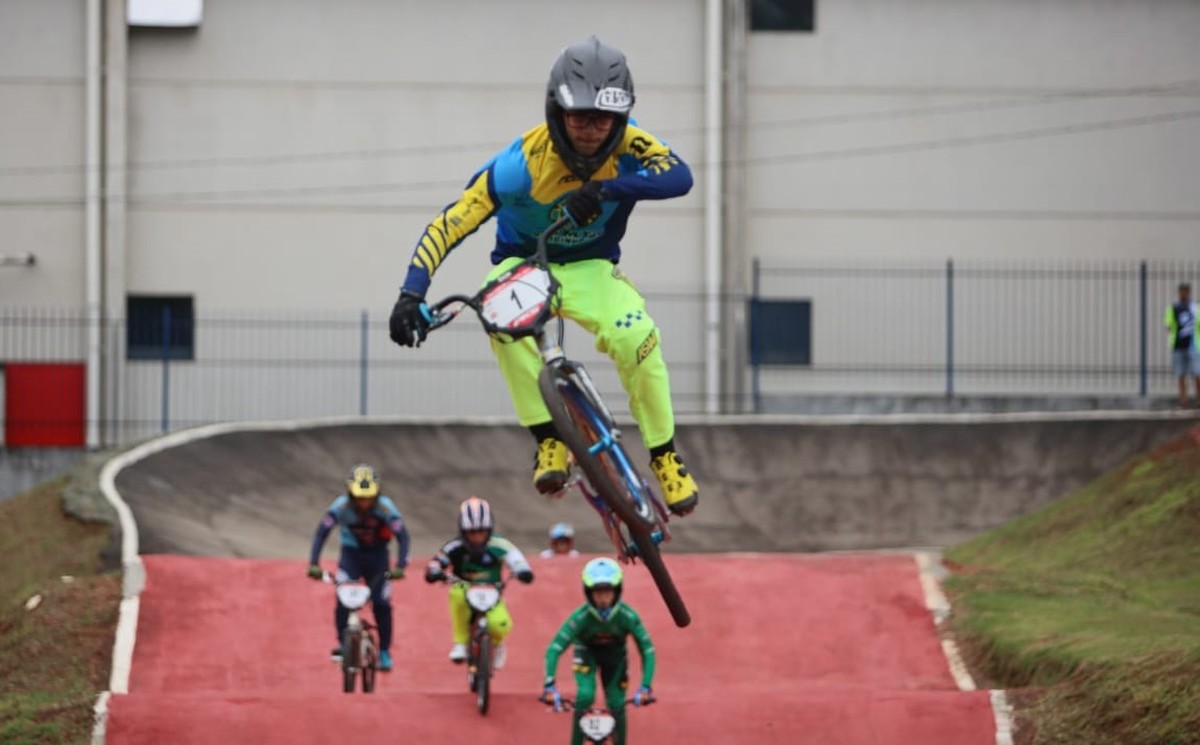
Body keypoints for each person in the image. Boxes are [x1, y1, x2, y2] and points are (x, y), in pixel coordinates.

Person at [388, 35, 698, 518]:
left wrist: (605, 188)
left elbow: (680, 177)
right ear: (557, 111)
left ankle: (665, 457)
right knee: (501, 324)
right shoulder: (518, 167)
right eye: (580, 118)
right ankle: (549, 439)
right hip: (524, 263)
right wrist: (413, 292)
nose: (593, 131)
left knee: (638, 336)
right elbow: (451, 223)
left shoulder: (632, 143)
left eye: (604, 120)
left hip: (593, 267)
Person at [541, 557, 656, 745]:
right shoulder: (580, 617)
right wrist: (549, 684)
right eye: (598, 592)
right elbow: (554, 648)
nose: (603, 598)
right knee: (585, 696)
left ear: (617, 591)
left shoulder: (628, 616)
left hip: (616, 660)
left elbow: (648, 650)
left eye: (608, 592)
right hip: (586, 655)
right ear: (588, 592)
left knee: (617, 704)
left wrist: (645, 686)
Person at [307, 463, 409, 672]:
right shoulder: (340, 507)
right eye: (360, 498)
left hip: (378, 558)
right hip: (351, 557)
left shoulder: (386, 508)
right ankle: (343, 643)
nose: (364, 503)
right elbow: (321, 533)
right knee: (344, 598)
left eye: (369, 498)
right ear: (350, 494)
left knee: (381, 603)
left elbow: (403, 536)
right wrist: (313, 563)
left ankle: (384, 651)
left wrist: (401, 565)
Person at [424, 496, 534, 670]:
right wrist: (435, 570)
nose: (476, 537)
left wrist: (523, 570)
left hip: (493, 592)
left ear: (489, 530)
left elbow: (517, 559)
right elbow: (437, 561)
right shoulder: (455, 546)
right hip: (464, 587)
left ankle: (497, 645)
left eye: (481, 532)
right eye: (471, 533)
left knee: (500, 624)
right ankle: (460, 642)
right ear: (463, 531)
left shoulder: (499, 544)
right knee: (456, 594)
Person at [1165, 282, 1200, 408]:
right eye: (1181, 291)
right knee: (1181, 375)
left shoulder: (1195, 308)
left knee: (1197, 373)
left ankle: (1198, 399)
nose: (1183, 294)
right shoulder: (1173, 308)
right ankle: (1183, 401)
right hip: (1178, 346)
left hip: (1193, 346)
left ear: (1188, 292)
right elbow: (1168, 325)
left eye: (1185, 291)